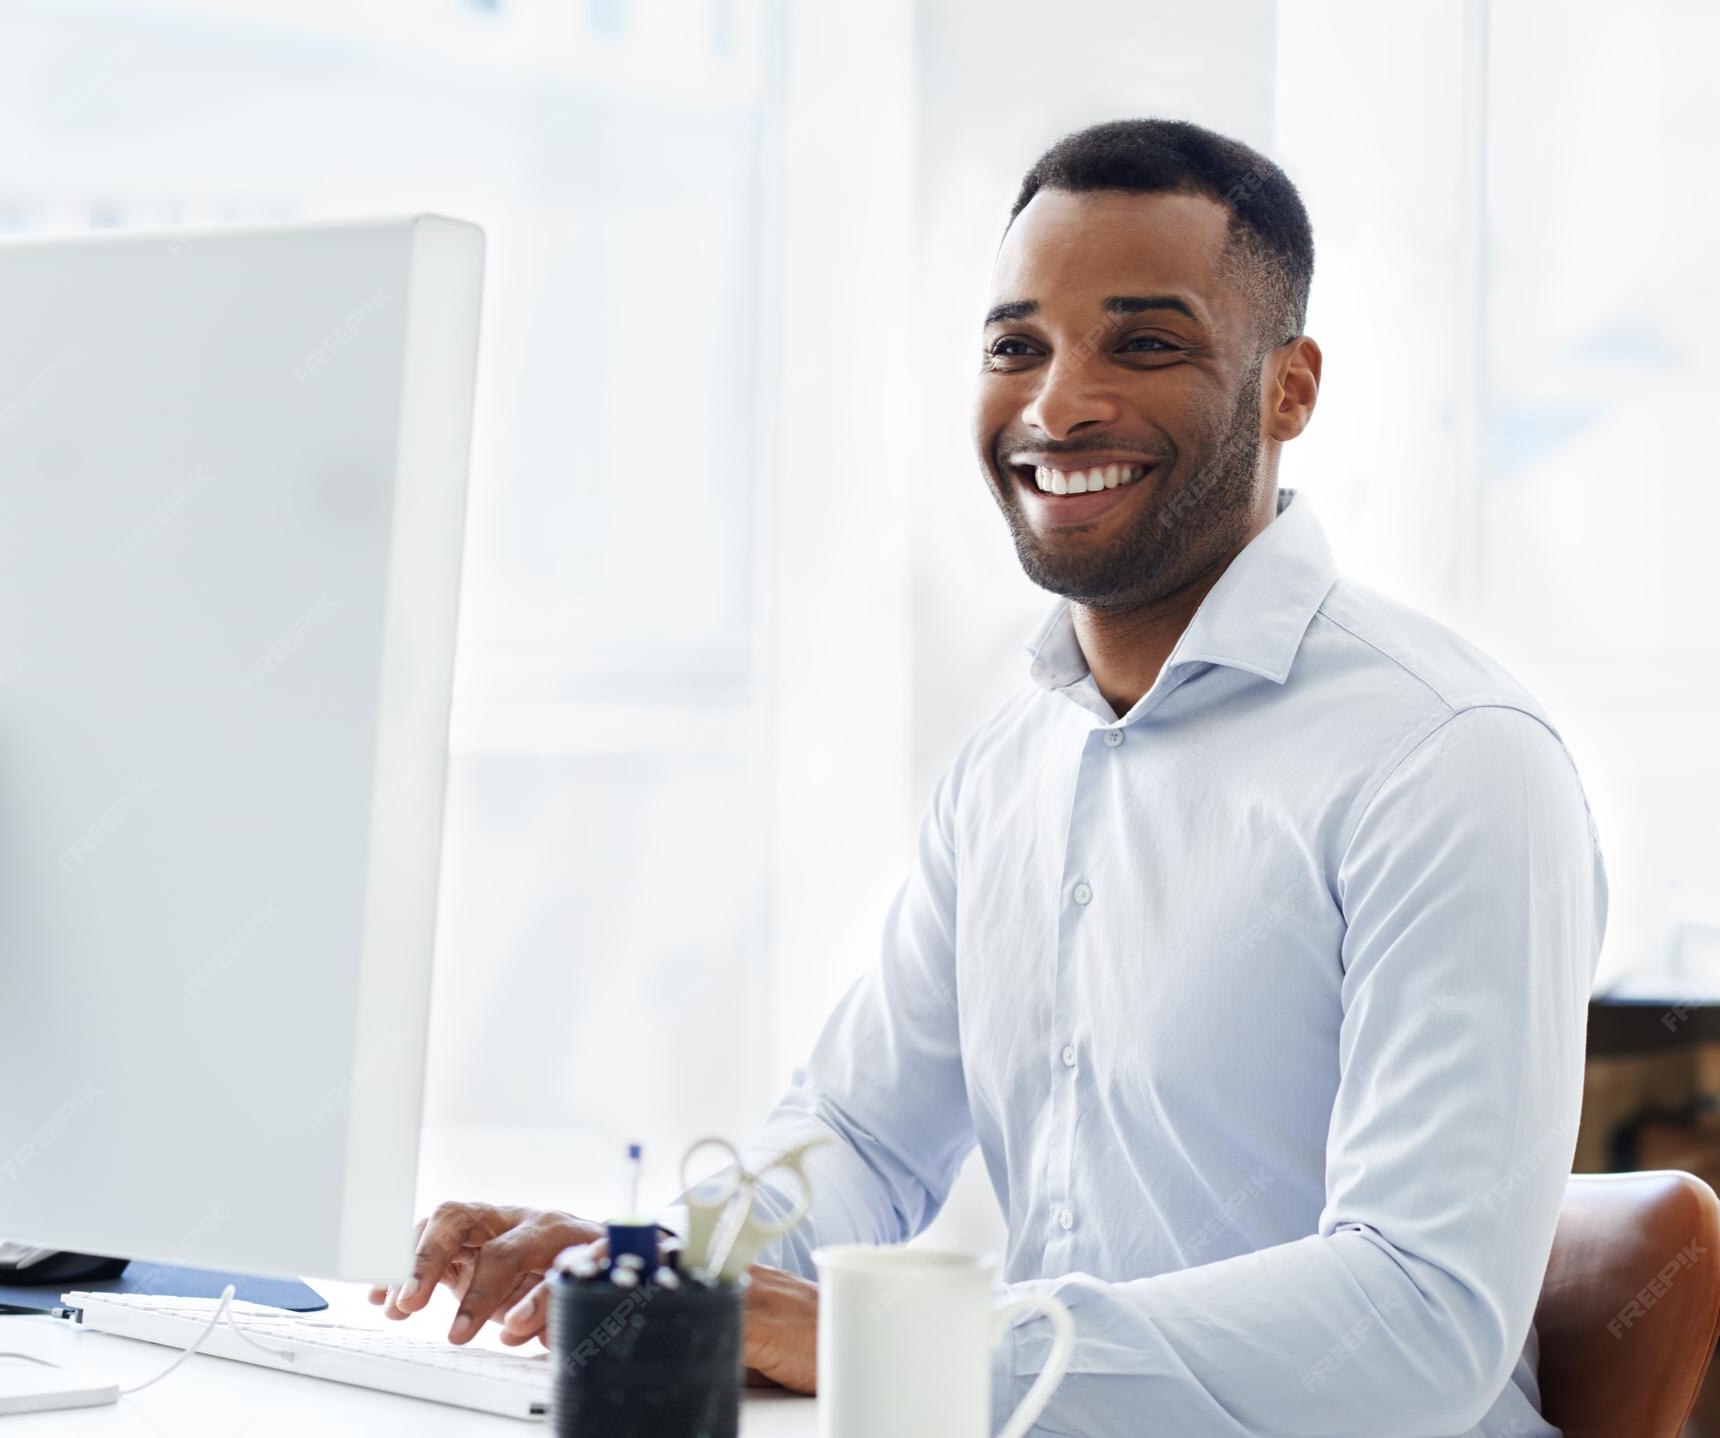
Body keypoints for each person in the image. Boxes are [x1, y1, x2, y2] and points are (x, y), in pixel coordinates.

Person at [372, 118, 1606, 1436]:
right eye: (1017, 345)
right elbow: (861, 1133)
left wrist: (910, 1342)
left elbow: (1415, 1318)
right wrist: (663, 1275)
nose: (1058, 404)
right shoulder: (1016, 758)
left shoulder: (1451, 756)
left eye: (1144, 343)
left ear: (1288, 389)